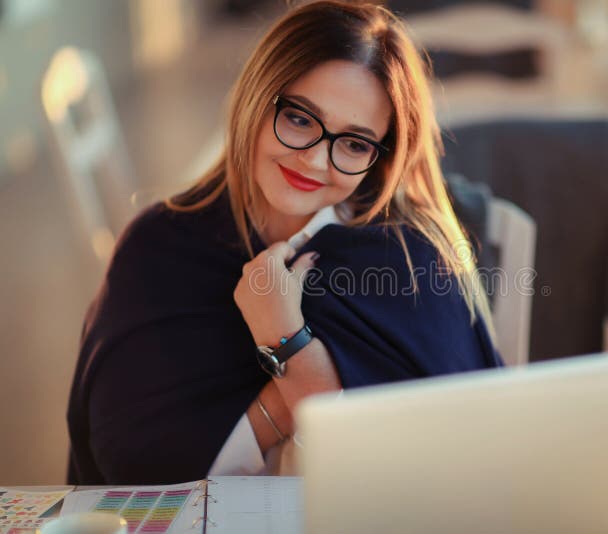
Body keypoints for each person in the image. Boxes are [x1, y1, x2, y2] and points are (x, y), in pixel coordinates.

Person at [66, 0, 503, 485]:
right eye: (299, 118)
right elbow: (132, 462)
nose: (315, 161)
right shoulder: (160, 248)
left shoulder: (409, 261)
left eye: (355, 143)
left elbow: (440, 465)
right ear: (255, 98)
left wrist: (286, 342)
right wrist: (290, 394)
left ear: (380, 158)